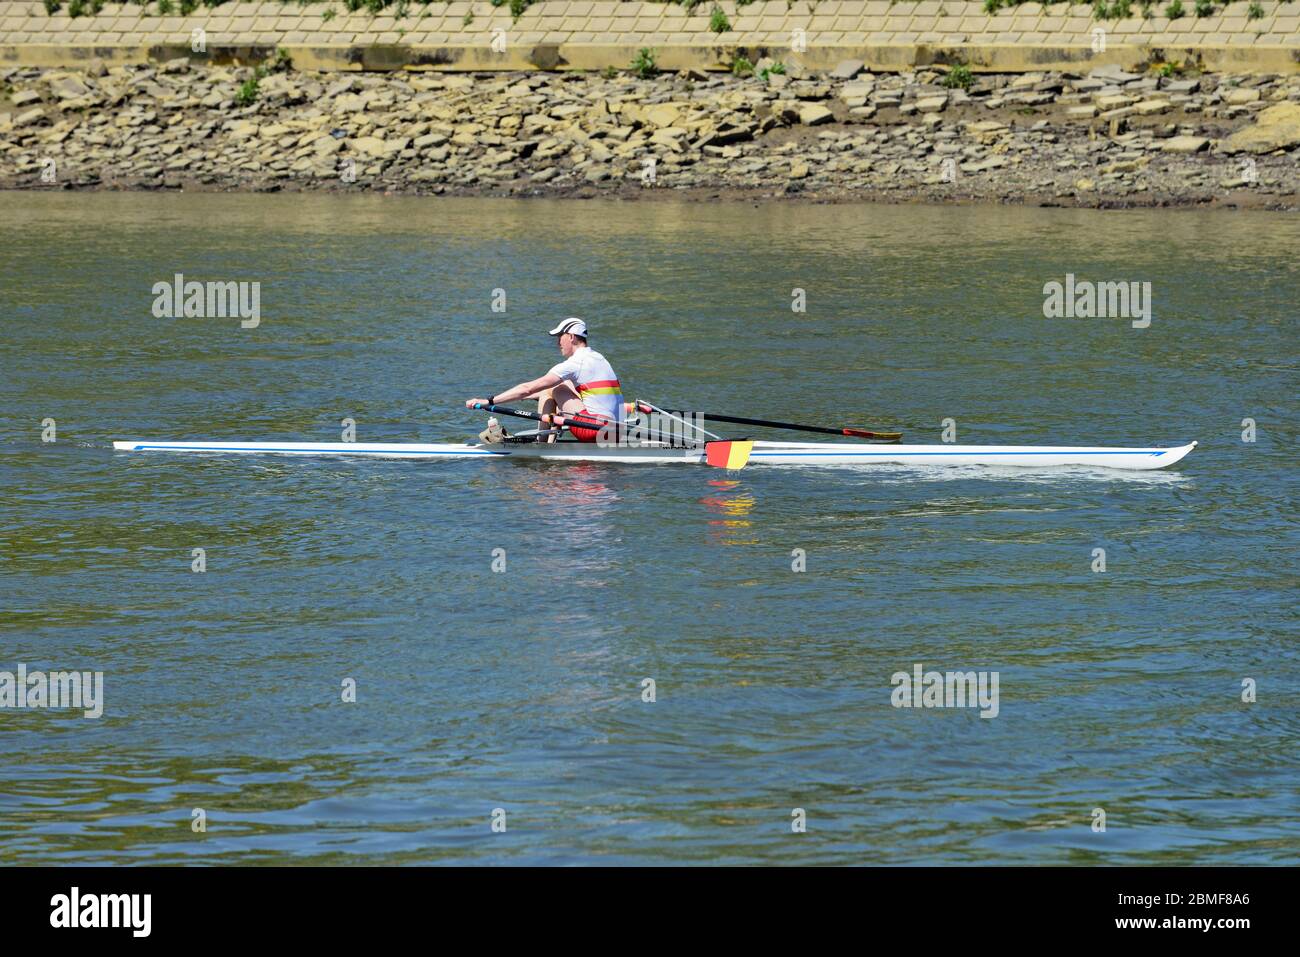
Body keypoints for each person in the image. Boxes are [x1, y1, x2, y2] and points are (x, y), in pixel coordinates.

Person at [464, 318, 626, 442]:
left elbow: (528, 388)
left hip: (594, 431)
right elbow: (531, 393)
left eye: (559, 337)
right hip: (616, 431)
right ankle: (549, 440)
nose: (557, 343)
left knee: (554, 389)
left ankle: (541, 443)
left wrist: (490, 401)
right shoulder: (599, 358)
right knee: (558, 388)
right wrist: (523, 396)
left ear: (571, 337)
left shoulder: (575, 363)